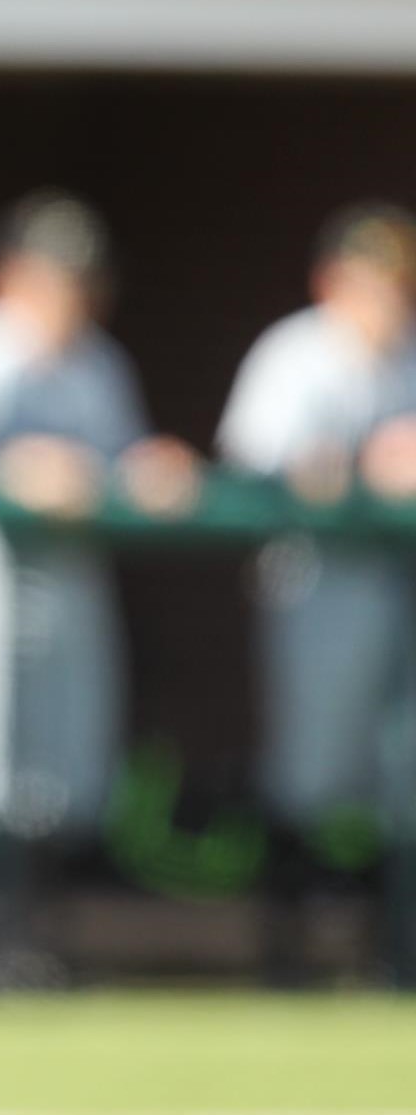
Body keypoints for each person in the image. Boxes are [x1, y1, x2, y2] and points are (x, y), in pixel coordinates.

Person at [0, 190, 199, 987]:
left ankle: (41, 942)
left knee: (62, 760)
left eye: (82, 278)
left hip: (68, 571)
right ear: (8, 275)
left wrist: (147, 467)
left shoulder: (97, 362)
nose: (71, 294)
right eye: (54, 276)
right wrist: (12, 471)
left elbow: (122, 458)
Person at [215, 202, 416, 987]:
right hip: (320, 579)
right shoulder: (296, 353)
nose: (390, 298)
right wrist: (361, 466)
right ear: (333, 281)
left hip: (403, 578)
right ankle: (286, 950)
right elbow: (263, 459)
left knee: (403, 770)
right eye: (374, 282)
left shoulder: (408, 357)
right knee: (311, 764)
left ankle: (393, 949)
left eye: (399, 282)